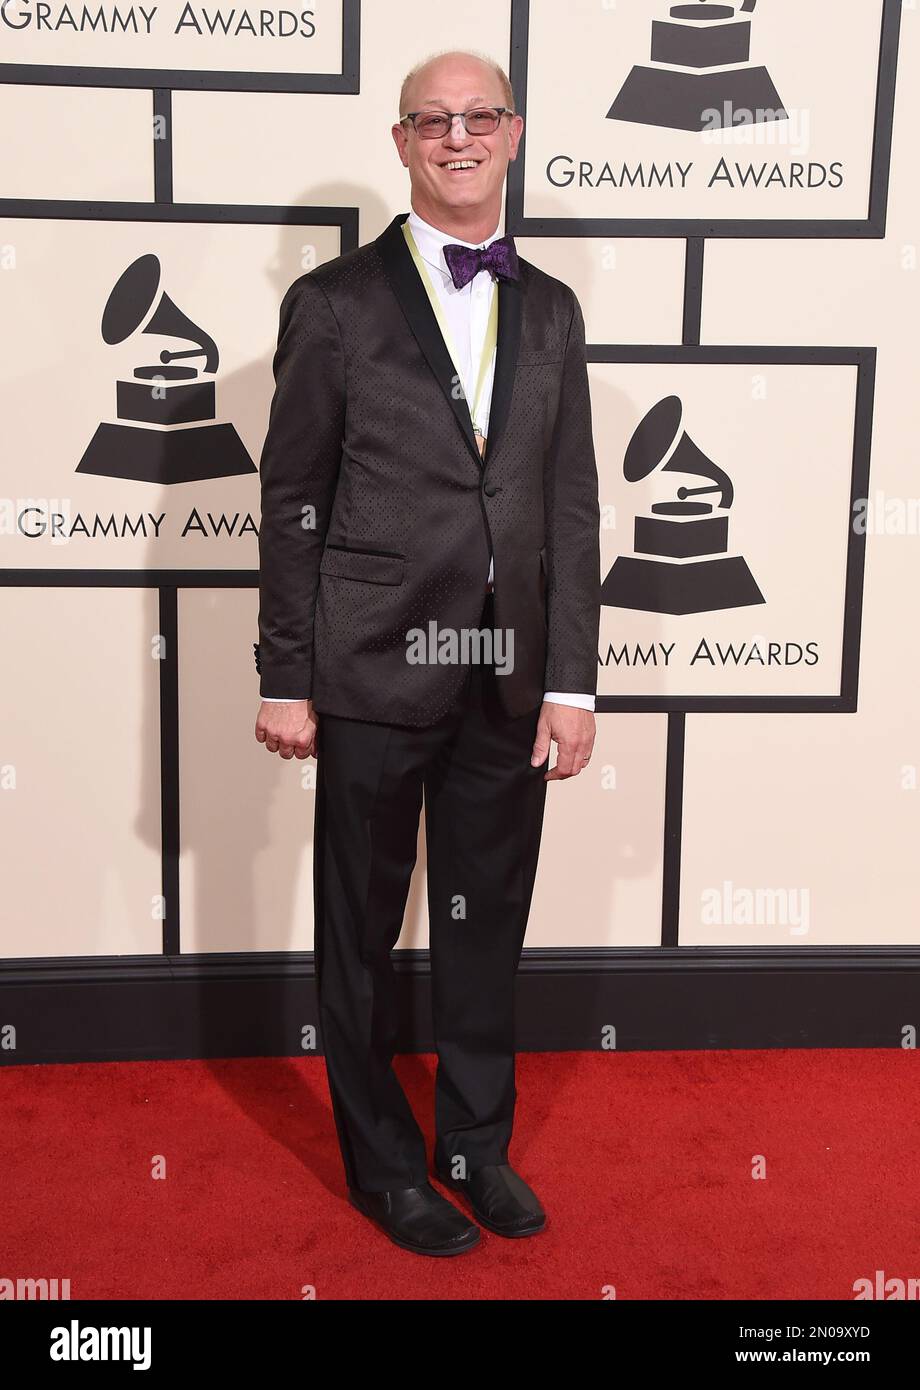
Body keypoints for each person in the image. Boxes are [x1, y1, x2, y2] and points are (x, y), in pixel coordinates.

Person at [253, 49, 600, 1257]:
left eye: (478, 117)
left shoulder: (550, 309)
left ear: (511, 135)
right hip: (366, 668)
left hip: (505, 675)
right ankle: (384, 1167)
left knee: (484, 923)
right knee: (357, 925)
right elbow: (292, 491)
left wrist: (569, 679)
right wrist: (285, 673)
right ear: (401, 143)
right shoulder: (337, 302)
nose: (457, 137)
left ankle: (472, 1148)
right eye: (431, 120)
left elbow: (568, 502)